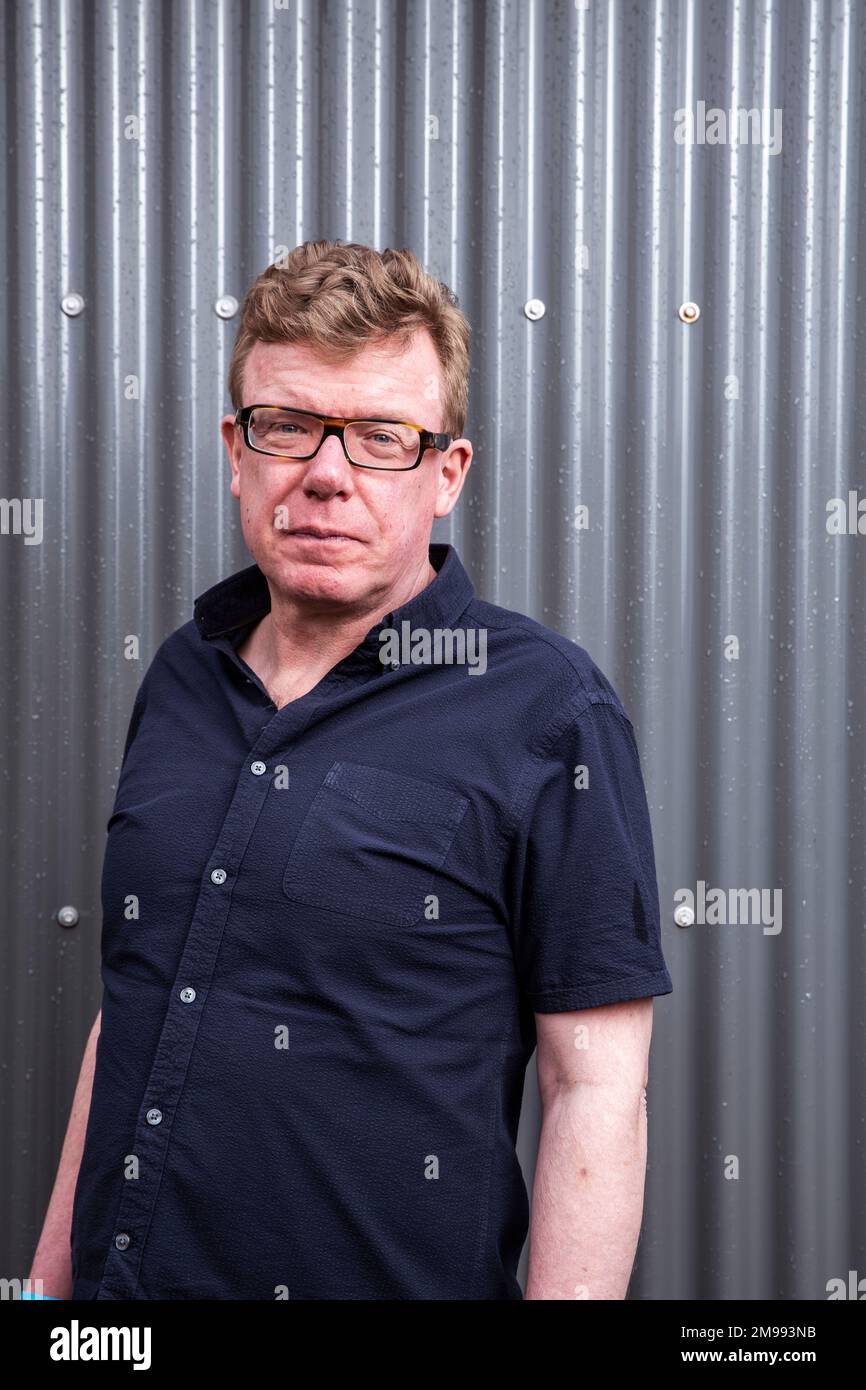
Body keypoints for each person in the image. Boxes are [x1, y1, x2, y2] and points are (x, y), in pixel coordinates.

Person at [29, 239, 672, 1301]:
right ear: (236, 449)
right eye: (287, 427)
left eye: (380, 436)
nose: (325, 475)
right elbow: (133, 1005)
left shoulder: (546, 709)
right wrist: (49, 1297)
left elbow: (593, 1084)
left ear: (445, 473)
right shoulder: (184, 677)